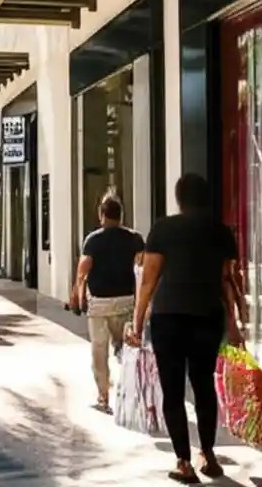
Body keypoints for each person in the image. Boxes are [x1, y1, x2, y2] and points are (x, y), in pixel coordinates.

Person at [130, 173, 244, 484]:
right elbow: (227, 282)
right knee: (204, 385)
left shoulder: (164, 229)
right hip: (207, 315)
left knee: (173, 390)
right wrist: (234, 324)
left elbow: (150, 279)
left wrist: (137, 321)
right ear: (206, 198)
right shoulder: (221, 232)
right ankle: (208, 455)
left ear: (179, 198)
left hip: (169, 317)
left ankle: (183, 462)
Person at [69, 193, 145, 414]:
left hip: (100, 304)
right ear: (121, 215)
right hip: (126, 302)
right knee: (128, 349)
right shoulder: (134, 238)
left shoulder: (93, 240)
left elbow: (83, 271)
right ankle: (132, 392)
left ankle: (103, 395)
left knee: (99, 350)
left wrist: (77, 295)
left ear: (102, 215)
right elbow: (143, 271)